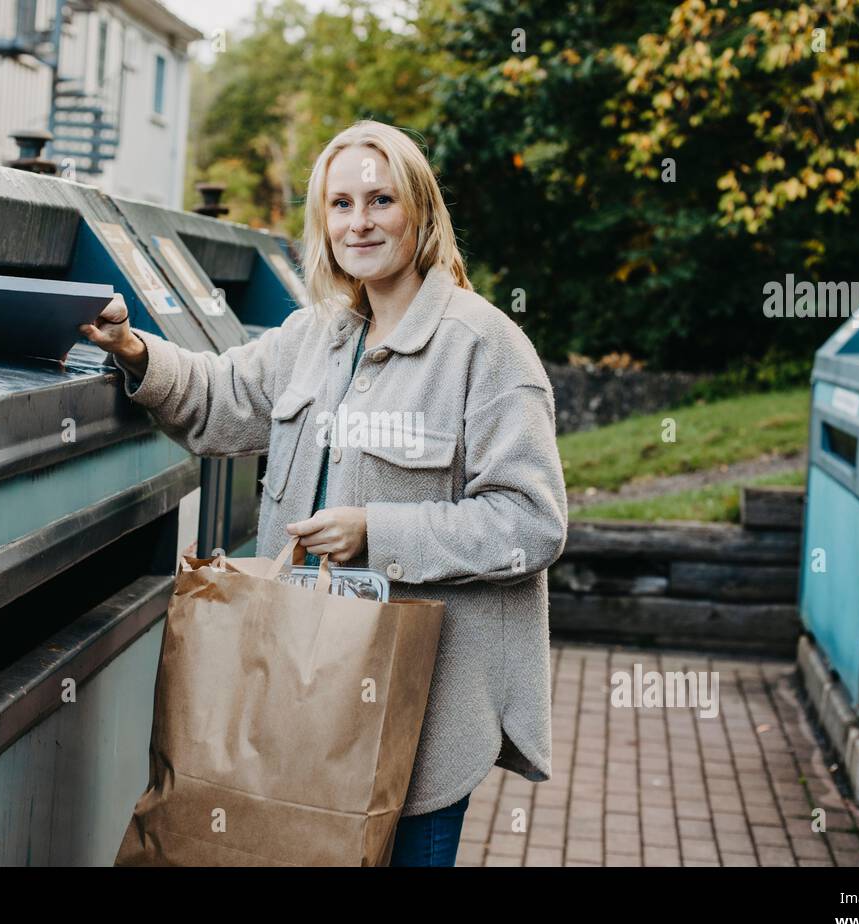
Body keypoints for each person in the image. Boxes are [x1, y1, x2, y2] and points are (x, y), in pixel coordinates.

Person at [80, 119, 568, 867]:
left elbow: (531, 523)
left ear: (420, 212)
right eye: (340, 205)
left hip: (419, 720)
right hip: (305, 695)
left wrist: (377, 529)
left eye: (380, 200)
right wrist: (132, 349)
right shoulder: (315, 335)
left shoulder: (487, 347)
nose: (359, 222)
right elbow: (217, 399)